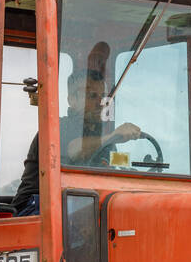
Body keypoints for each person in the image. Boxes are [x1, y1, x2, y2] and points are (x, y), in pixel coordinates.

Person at [11, 66, 143, 216]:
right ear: (72, 100)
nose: (100, 102)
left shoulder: (103, 139)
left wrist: (132, 167)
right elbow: (75, 150)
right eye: (92, 96)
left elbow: (115, 163)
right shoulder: (57, 128)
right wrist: (113, 136)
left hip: (75, 202)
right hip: (35, 207)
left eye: (103, 96)